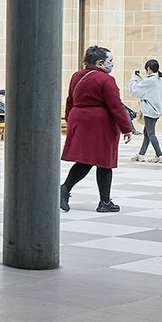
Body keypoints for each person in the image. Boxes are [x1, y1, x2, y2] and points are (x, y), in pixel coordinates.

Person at [60, 44, 133, 214]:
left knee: (86, 159)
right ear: (100, 62)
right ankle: (104, 202)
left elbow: (70, 99)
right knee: (104, 162)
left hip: (80, 119)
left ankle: (65, 188)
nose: (112, 64)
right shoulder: (106, 80)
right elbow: (115, 106)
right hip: (100, 123)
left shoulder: (77, 76)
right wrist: (126, 128)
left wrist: (70, 120)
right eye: (110, 61)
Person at [129, 59, 162, 162]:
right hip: (157, 110)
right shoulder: (159, 79)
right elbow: (149, 89)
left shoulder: (151, 81)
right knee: (146, 132)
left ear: (149, 69)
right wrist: (142, 79)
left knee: (151, 133)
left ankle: (159, 156)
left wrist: (132, 79)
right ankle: (141, 154)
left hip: (151, 111)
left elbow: (135, 90)